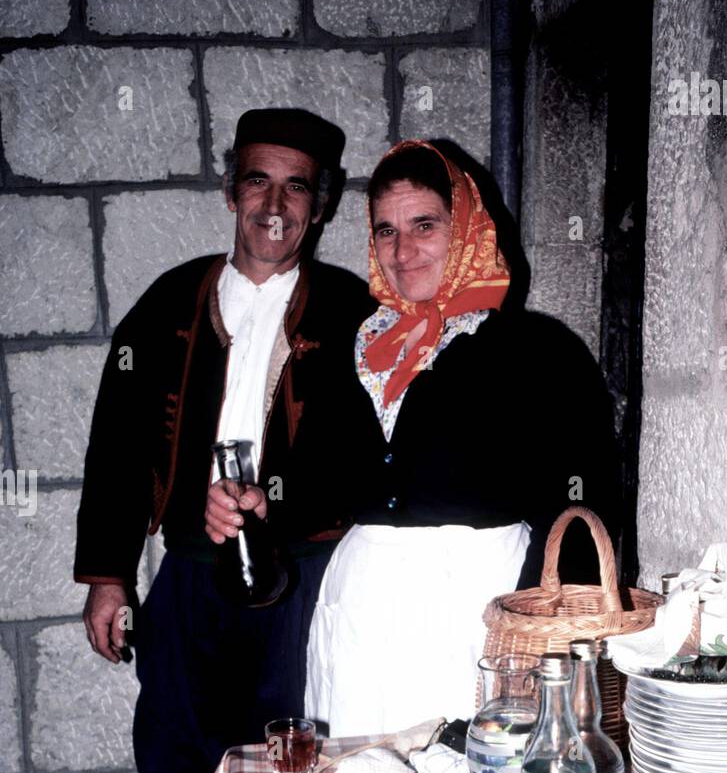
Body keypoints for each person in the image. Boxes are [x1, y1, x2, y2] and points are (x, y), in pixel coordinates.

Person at [206, 139, 621, 737]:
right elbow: (319, 482)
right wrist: (264, 502)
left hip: (479, 609)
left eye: (424, 225)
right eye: (385, 231)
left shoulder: (537, 352)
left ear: (468, 229)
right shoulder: (360, 348)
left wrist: (537, 637)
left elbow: (582, 505)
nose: (402, 251)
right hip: (361, 611)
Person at [75, 108, 372, 773]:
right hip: (190, 578)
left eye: (296, 188)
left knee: (290, 768)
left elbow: (367, 456)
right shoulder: (168, 303)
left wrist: (272, 501)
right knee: (177, 766)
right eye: (258, 183)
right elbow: (118, 444)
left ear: (322, 203)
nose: (275, 207)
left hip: (302, 578)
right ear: (230, 190)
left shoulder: (353, 313)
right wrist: (111, 577)